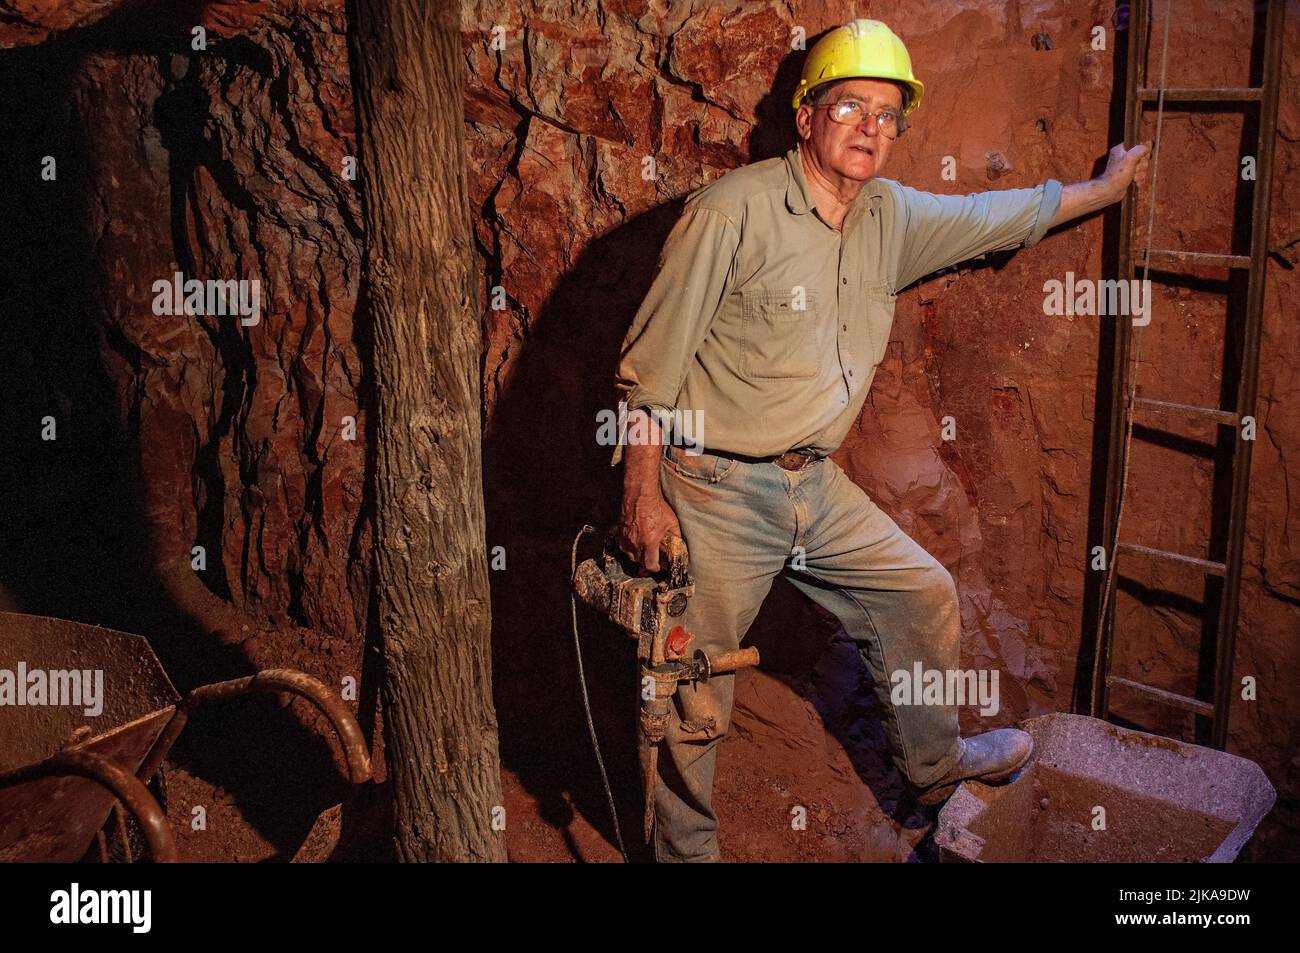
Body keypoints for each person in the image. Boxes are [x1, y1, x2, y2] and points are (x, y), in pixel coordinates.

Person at [610, 18, 1151, 862]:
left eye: (888, 114)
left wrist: (1105, 191)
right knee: (692, 689)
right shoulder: (731, 213)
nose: (870, 127)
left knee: (922, 593)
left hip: (811, 484)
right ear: (807, 116)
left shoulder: (889, 217)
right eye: (851, 105)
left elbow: (995, 214)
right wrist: (642, 496)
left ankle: (935, 768)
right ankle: (685, 851)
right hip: (714, 486)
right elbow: (648, 371)